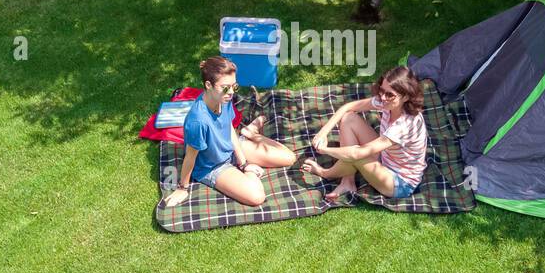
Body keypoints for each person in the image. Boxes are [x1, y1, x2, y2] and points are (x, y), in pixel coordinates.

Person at [164, 56, 295, 208]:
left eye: (234, 86)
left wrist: (244, 163)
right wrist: (182, 188)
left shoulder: (223, 98)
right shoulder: (198, 121)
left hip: (232, 148)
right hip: (213, 166)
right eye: (226, 87)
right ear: (208, 85)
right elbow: (190, 157)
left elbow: (229, 127)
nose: (232, 92)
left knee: (289, 158)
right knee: (257, 197)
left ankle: (250, 133)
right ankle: (249, 160)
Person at [302, 66, 428, 201]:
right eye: (382, 90)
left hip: (400, 183)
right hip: (386, 156)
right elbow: (348, 107)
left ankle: (326, 173)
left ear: (406, 96)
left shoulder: (404, 124)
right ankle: (347, 182)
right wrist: (323, 132)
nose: (383, 97)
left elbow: (357, 153)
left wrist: (325, 150)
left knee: (357, 155)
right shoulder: (387, 103)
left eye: (390, 94)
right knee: (349, 118)